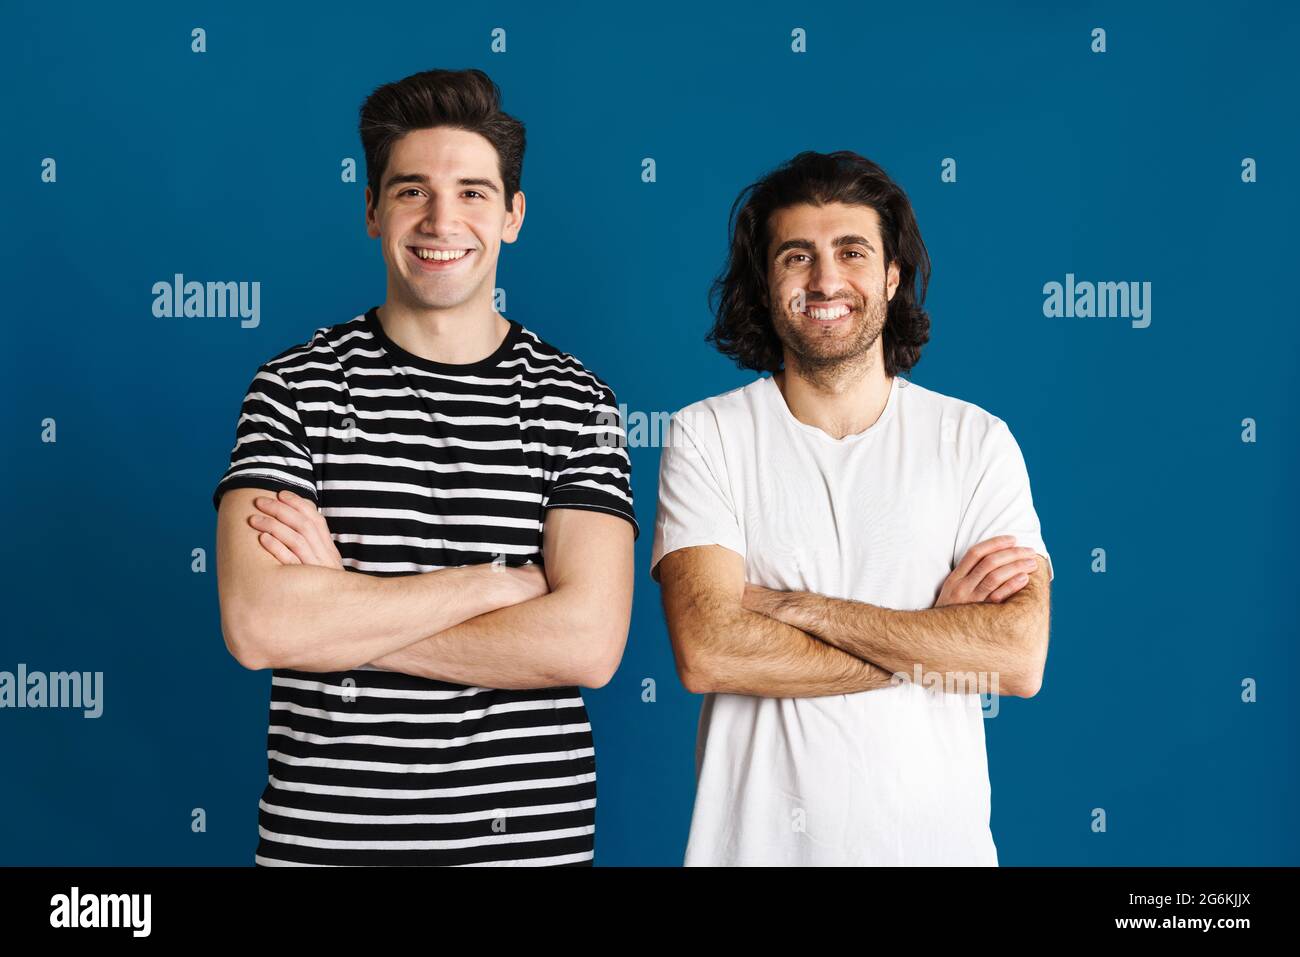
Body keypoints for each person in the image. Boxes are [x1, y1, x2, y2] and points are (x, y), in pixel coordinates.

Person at [212, 68, 636, 866]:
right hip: (324, 850)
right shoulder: (293, 387)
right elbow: (260, 624)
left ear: (513, 215)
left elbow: (588, 644)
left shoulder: (580, 403)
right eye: (412, 191)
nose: (443, 219)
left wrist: (343, 614)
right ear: (372, 210)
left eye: (474, 192)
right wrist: (486, 584)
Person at [651, 150, 1052, 866]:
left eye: (852, 251)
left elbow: (1017, 656)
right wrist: (933, 637)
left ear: (892, 275)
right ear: (766, 280)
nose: (826, 280)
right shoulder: (706, 433)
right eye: (796, 255)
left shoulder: (975, 440)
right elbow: (709, 650)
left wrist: (794, 607)